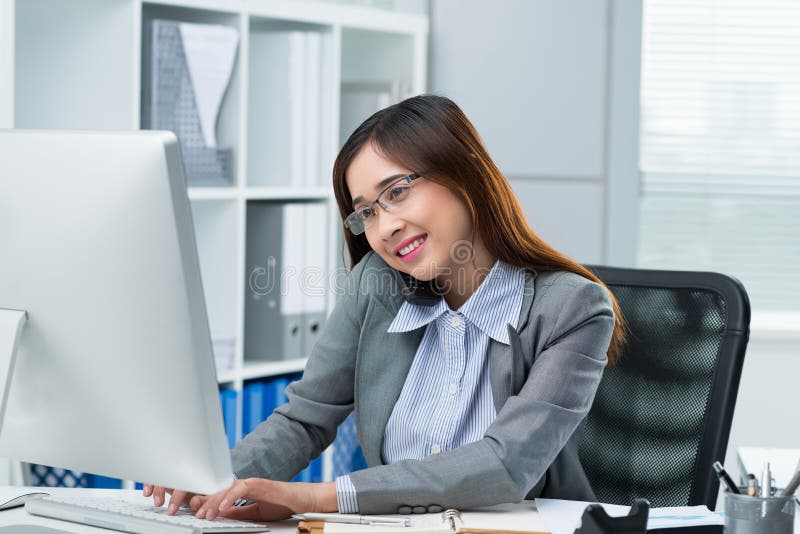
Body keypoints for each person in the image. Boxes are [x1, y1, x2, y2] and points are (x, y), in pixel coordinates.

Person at [144, 94, 626, 521]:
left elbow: (506, 464)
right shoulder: (377, 286)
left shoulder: (573, 308)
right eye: (367, 212)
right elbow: (305, 420)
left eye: (397, 192)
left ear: (465, 174)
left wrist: (314, 498)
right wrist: (217, 483)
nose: (385, 227)